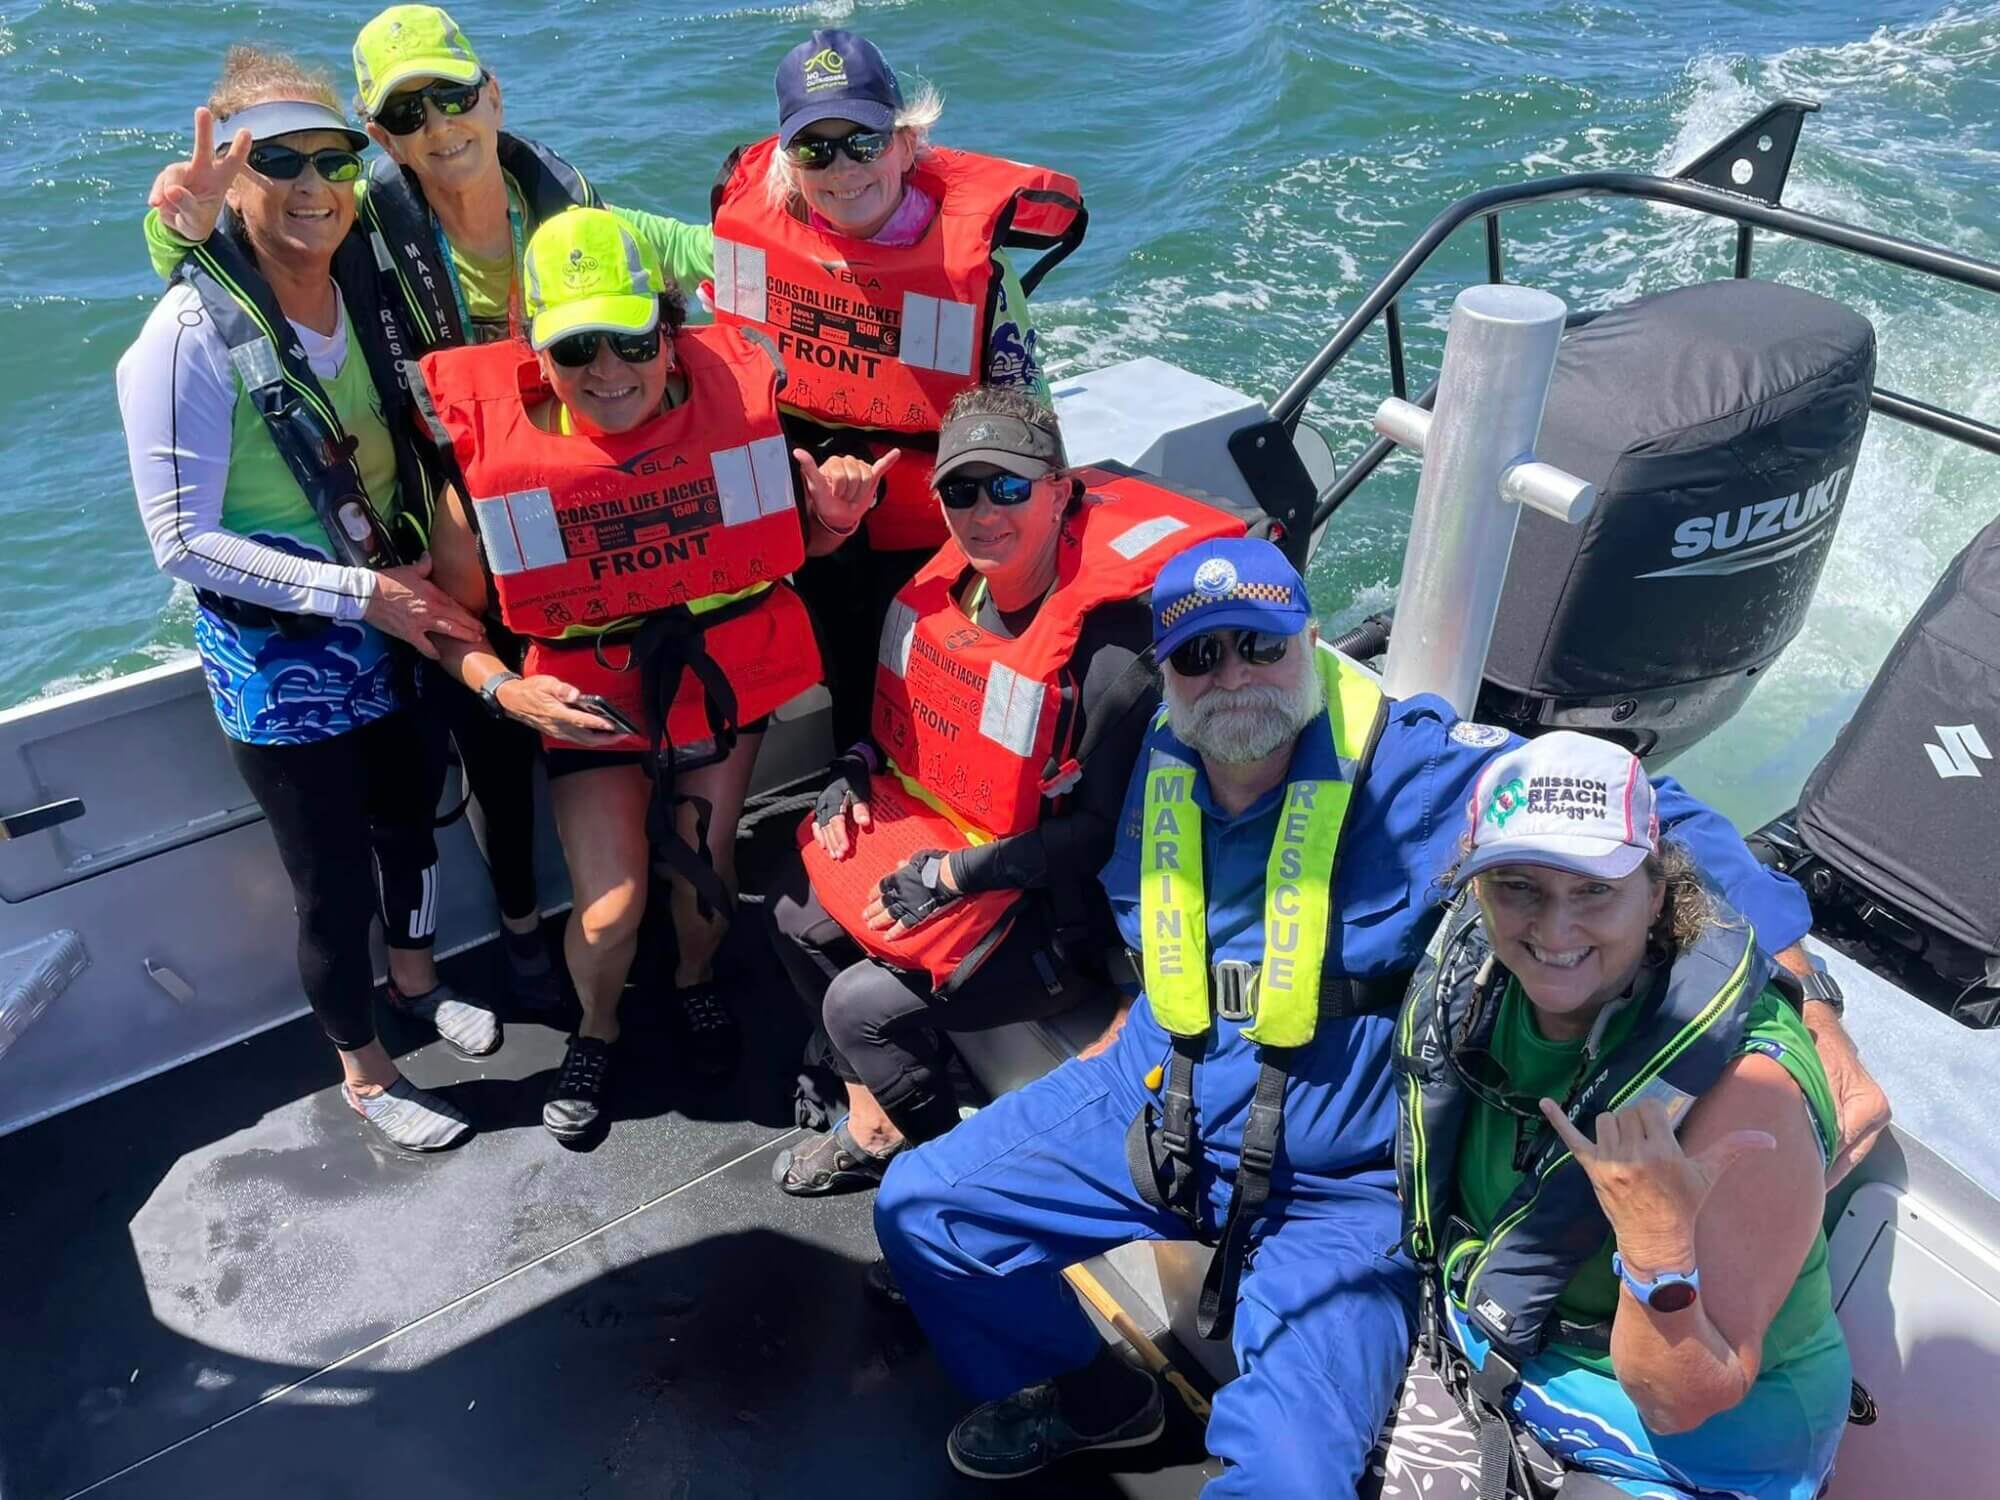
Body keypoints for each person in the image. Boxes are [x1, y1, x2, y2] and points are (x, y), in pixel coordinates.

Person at [873, 536, 1887, 1492]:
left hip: (1340, 1186)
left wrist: (1812, 999)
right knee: (922, 1208)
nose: (1232, 677)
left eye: (1260, 646)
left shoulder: (1420, 767)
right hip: (1149, 1101)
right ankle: (1098, 1400)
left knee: (1288, 1473)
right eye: (1199, 656)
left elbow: (1655, 816)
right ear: (1167, 674)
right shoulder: (1156, 757)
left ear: (1310, 643)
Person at [139, 5, 720, 1003]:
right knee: (491, 749)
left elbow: (719, 254)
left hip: (586, 518)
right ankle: (521, 925)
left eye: (452, 96)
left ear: (491, 95)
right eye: (407, 113)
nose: (438, 125)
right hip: (459, 534)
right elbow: (245, 261)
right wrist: (172, 230)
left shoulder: (574, 215)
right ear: (382, 136)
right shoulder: (361, 221)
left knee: (638, 701)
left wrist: (832, 185)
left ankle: (674, 907)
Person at [116, 47, 499, 1150]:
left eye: (329, 158)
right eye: (273, 162)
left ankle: (420, 982)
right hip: (284, 657)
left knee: (415, 825)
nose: (310, 185)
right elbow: (181, 541)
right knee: (329, 882)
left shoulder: (364, 279)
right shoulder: (186, 336)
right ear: (229, 182)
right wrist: (359, 594)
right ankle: (366, 1072)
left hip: (398, 609)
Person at [417, 206, 857, 1143]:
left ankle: (695, 979)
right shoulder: (481, 478)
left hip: (720, 681)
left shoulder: (735, 419)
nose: (608, 369)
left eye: (631, 339)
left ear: (668, 332)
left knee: (703, 879)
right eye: (577, 349)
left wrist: (835, 522)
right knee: (611, 909)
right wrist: (505, 688)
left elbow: (781, 553)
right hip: (587, 701)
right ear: (537, 355)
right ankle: (599, 1024)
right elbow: (449, 623)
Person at [769, 387, 1244, 1194]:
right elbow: (901, 731)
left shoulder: (1109, 656)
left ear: (1060, 491)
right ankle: (876, 1111)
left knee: (858, 1005)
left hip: (1053, 918)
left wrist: (955, 877)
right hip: (944, 848)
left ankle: (947, 1173)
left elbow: (1098, 834)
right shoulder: (945, 594)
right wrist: (853, 766)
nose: (984, 512)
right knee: (789, 912)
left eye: (1009, 487)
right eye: (961, 490)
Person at [1396, 732, 1850, 1499]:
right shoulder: (1478, 992)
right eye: (1518, 887)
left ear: (1658, 894)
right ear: (1474, 887)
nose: (1554, 931)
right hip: (1500, 1368)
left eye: (1595, 892)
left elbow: (1683, 1400)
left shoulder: (1749, 1089)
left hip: (1689, 1458)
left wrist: (1655, 1241)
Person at [710, 28, 1088, 746]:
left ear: (907, 144)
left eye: (864, 142)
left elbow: (1028, 424)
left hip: (936, 520)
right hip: (805, 515)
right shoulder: (753, 243)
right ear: (788, 163)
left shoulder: (976, 275)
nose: (842, 168)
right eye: (815, 149)